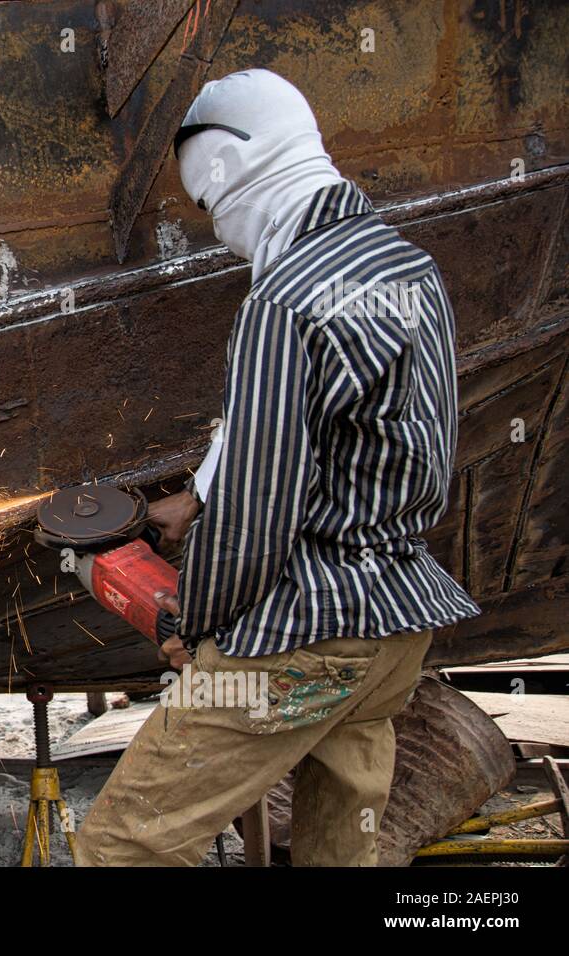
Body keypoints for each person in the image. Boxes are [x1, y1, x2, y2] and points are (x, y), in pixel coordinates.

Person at [74, 69, 480, 867]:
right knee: (341, 854)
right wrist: (201, 498)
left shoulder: (282, 299)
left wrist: (196, 621)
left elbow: (259, 519)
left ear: (231, 169)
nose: (215, 224)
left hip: (309, 639)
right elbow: (383, 436)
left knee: (127, 845)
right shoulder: (407, 267)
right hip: (397, 626)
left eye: (206, 204)